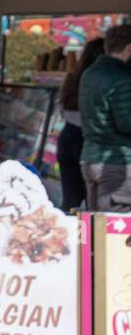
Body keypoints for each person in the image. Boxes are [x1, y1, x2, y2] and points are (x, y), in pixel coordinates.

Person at [79, 24, 131, 212]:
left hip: (89, 159)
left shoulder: (89, 74)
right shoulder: (122, 79)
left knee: (96, 227)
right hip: (116, 163)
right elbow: (127, 123)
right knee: (115, 229)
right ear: (129, 48)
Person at [56, 37, 103, 211]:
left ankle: (70, 233)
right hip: (91, 140)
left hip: (68, 137)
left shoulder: (72, 77)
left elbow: (60, 109)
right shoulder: (104, 80)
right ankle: (91, 236)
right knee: (95, 204)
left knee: (71, 201)